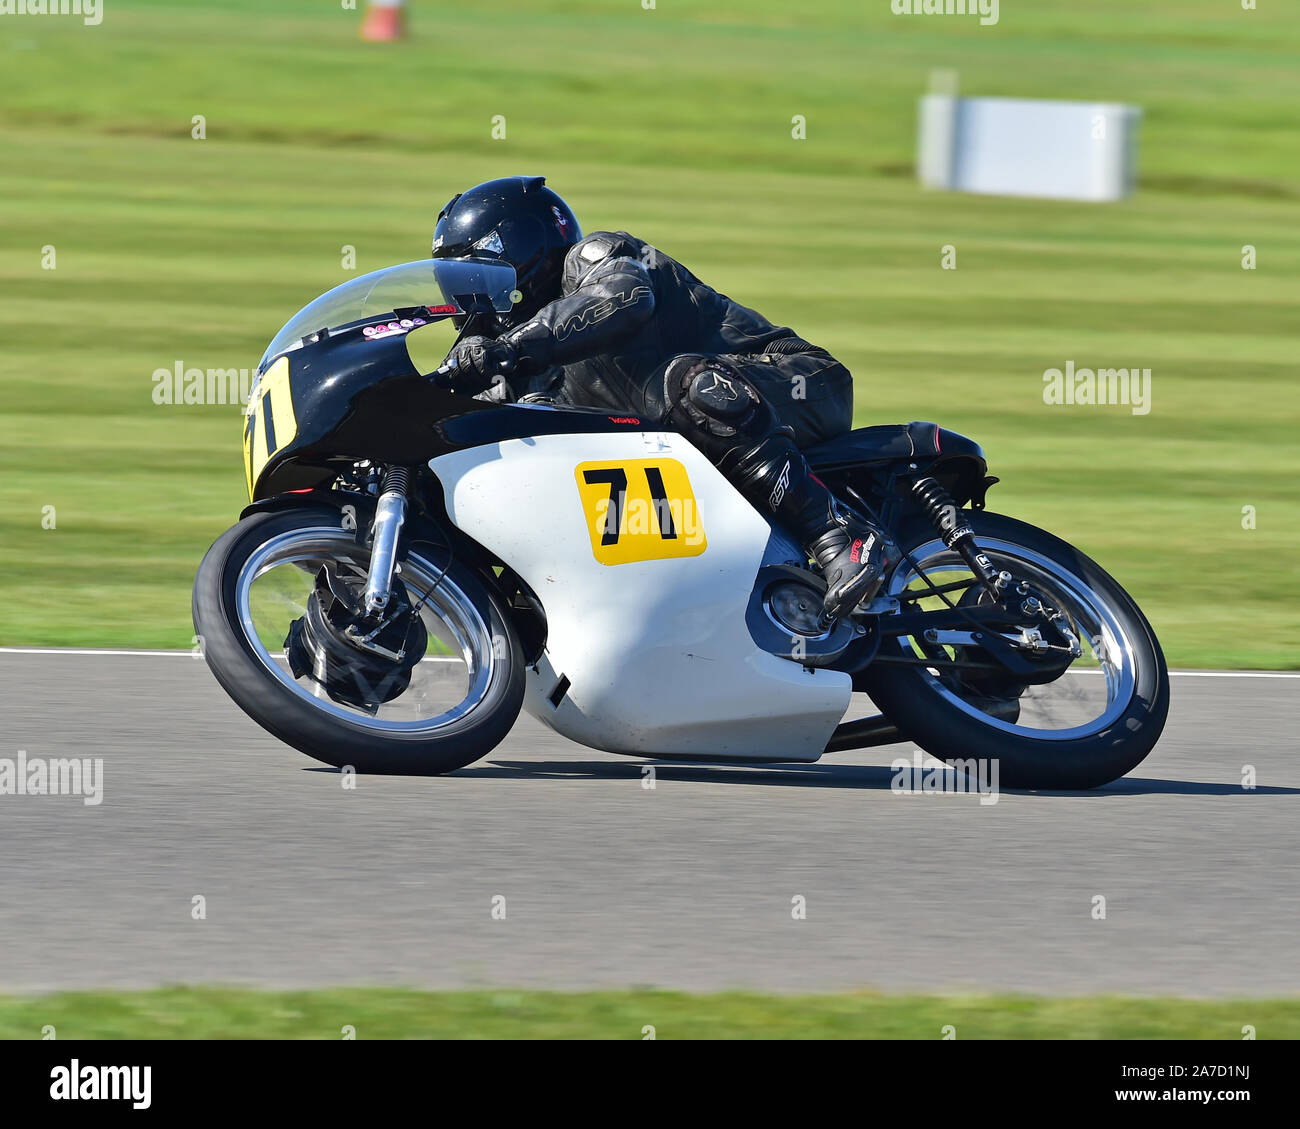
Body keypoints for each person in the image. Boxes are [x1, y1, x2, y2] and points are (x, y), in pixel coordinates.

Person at [432, 176, 891, 620]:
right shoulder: (514, 363)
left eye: (473, 275)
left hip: (798, 382)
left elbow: (625, 297)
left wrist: (508, 349)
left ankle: (836, 534)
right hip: (708, 439)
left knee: (691, 385)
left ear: (521, 251)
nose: (465, 295)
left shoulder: (596, 259)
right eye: (454, 282)